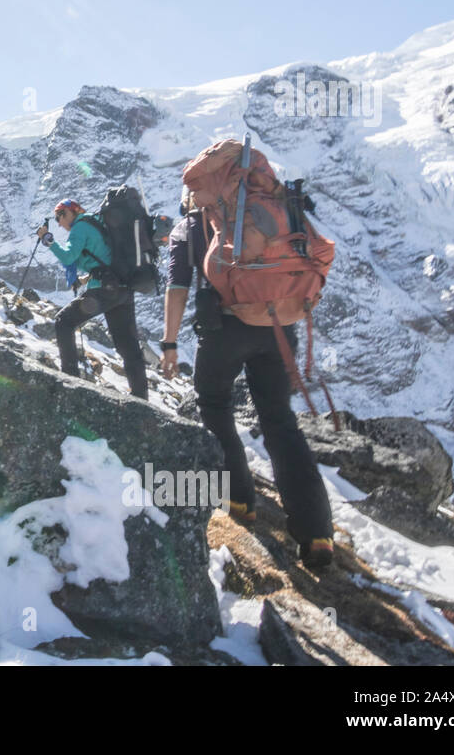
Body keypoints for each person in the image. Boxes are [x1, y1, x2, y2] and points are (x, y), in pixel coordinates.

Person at [159, 187, 335, 569]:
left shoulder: (189, 226)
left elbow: (178, 286)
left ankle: (238, 500)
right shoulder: (267, 217)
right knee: (280, 422)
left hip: (225, 328)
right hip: (278, 326)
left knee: (214, 404)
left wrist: (169, 342)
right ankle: (316, 533)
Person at [37, 199, 149, 399]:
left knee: (64, 322)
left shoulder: (80, 227)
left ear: (69, 213)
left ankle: (69, 380)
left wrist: (47, 238)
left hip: (104, 291)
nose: (59, 222)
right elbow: (103, 258)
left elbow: (68, 256)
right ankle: (141, 397)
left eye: (59, 216)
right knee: (128, 345)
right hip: (122, 289)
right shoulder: (97, 224)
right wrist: (85, 278)